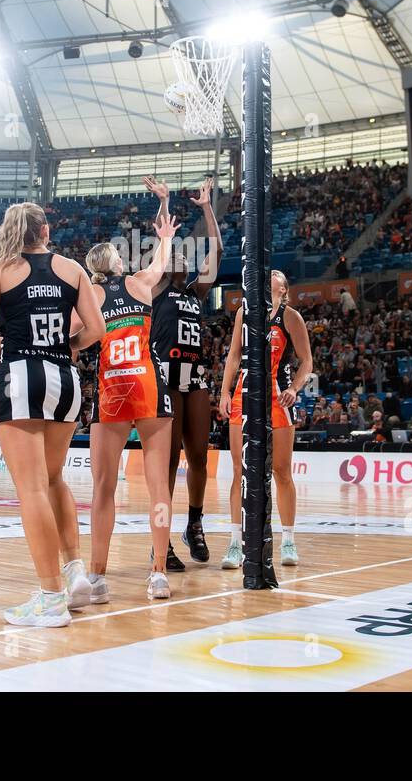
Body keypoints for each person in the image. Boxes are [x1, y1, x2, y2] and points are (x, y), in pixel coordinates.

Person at [0, 202, 105, 628]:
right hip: (65, 378)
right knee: (52, 478)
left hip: (23, 375)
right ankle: (74, 571)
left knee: (31, 490)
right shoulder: (72, 269)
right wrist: (68, 349)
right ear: (45, 230)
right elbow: (96, 330)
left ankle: (50, 599)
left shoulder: (0, 268)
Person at [75, 210, 178, 602]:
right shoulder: (138, 285)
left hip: (112, 391)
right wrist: (166, 237)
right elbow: (160, 265)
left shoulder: (92, 297)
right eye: (118, 255)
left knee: (103, 489)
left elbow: (66, 334)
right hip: (150, 388)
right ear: (114, 263)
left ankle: (97, 577)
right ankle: (158, 575)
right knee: (158, 489)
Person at [144, 175, 222, 571]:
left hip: (195, 375)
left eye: (181, 254)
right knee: (169, 461)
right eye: (171, 254)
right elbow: (161, 241)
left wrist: (207, 207)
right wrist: (164, 201)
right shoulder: (156, 289)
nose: (179, 257)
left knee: (199, 458)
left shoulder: (196, 292)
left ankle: (195, 523)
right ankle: (161, 542)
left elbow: (219, 250)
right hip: (164, 374)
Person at [219, 270, 314, 570]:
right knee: (239, 470)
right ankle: (236, 543)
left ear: (284, 289)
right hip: (243, 395)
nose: (270, 274)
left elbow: (307, 360)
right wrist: (224, 391)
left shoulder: (290, 317)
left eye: (276, 275)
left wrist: (294, 388)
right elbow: (234, 355)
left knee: (281, 472)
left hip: (276, 394)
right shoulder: (244, 313)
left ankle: (288, 539)